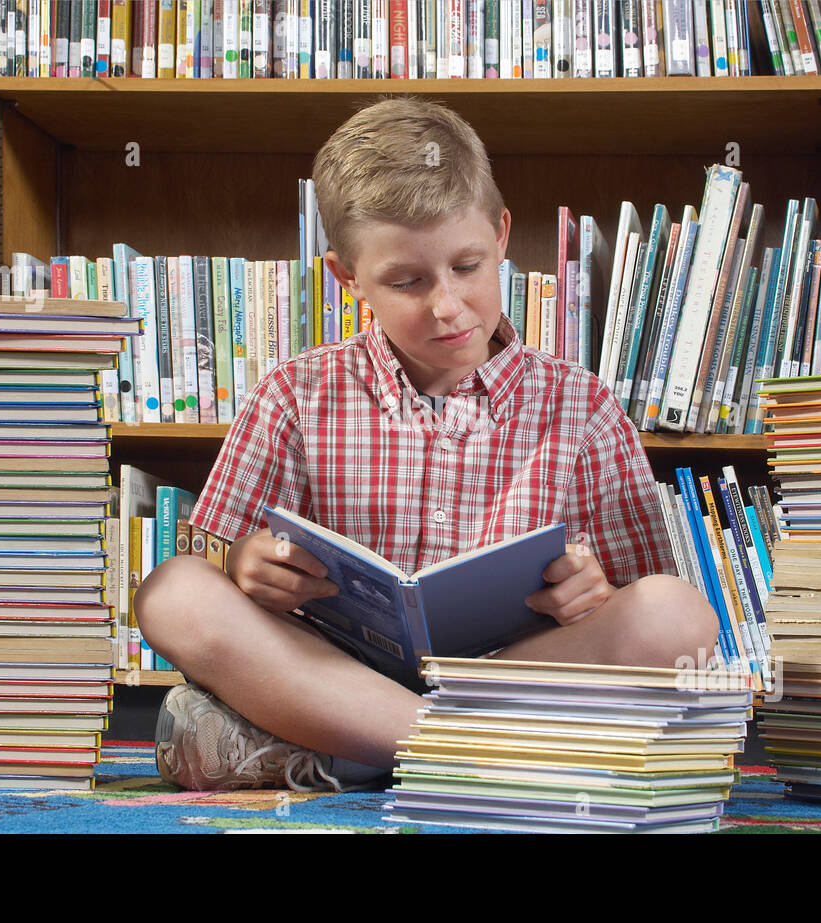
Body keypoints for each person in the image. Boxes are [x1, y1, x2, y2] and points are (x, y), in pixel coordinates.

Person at [134, 97, 718, 793]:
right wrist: (249, 570)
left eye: (468, 266)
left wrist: (593, 595)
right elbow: (215, 576)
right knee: (172, 592)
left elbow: (641, 595)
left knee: (677, 615)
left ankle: (364, 755)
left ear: (502, 235)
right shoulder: (296, 393)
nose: (448, 306)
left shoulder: (581, 406)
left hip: (506, 680)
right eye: (407, 282)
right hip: (331, 676)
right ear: (347, 279)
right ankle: (458, 749)